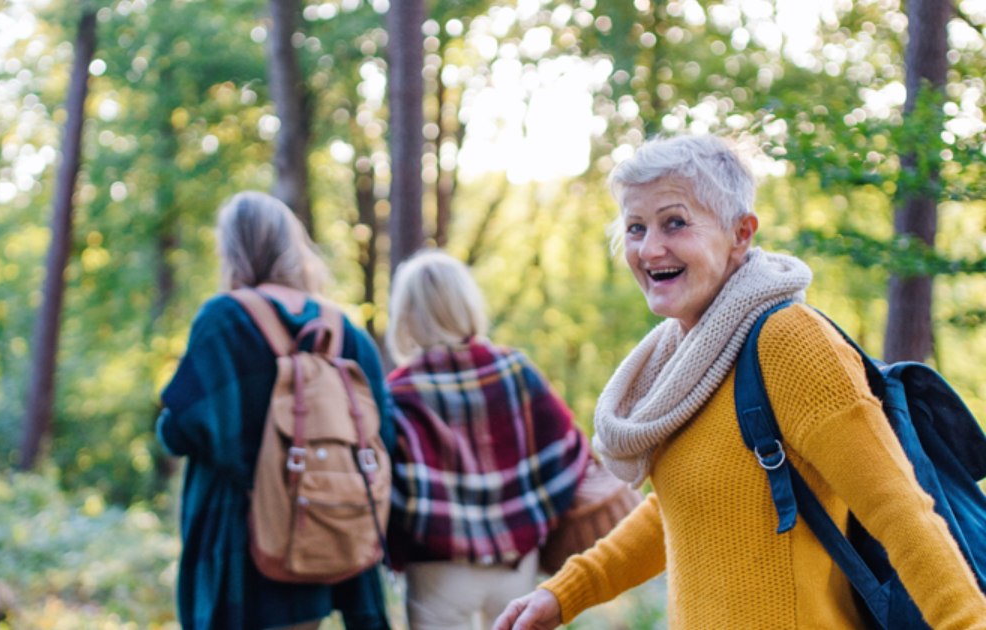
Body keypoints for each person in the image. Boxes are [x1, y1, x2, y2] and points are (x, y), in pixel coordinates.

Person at [494, 135, 986, 630]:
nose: (649, 248)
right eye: (636, 227)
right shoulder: (689, 358)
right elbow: (686, 507)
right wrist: (565, 594)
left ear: (741, 233)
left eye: (675, 223)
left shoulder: (789, 340)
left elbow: (901, 512)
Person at [156, 191, 395, 630]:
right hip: (333, 538)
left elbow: (178, 431)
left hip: (244, 547)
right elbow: (386, 436)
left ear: (233, 250)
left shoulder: (224, 320)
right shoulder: (347, 332)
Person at [385, 250, 590, 630]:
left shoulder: (399, 391)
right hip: (515, 558)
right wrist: (537, 515)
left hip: (438, 565)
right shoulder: (514, 369)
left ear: (407, 314)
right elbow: (570, 450)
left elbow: (387, 486)